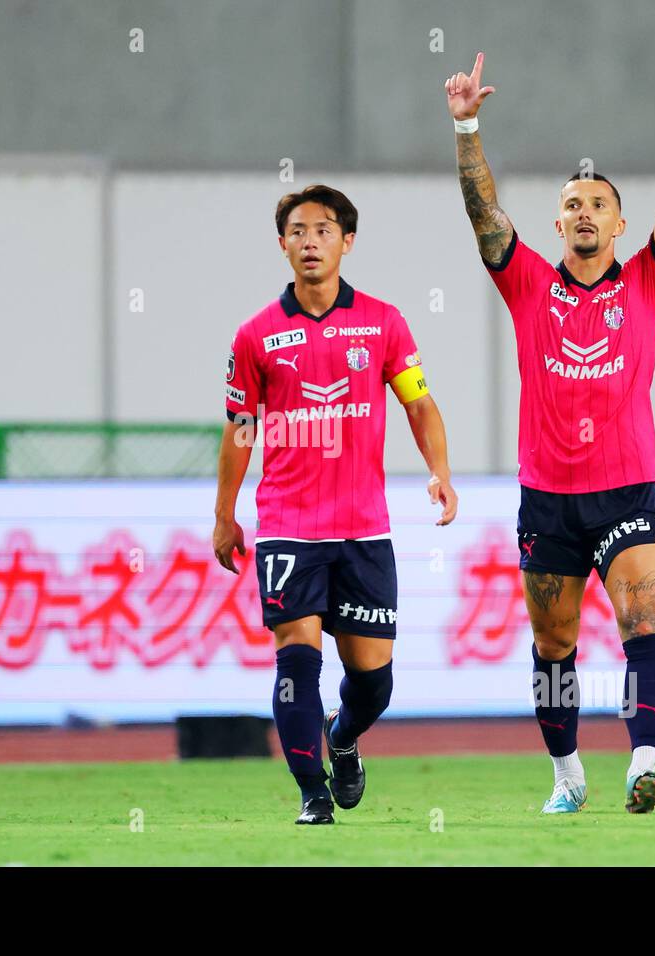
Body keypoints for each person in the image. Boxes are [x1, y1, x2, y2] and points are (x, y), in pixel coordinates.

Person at [445, 54, 655, 813]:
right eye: (574, 203)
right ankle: (568, 776)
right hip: (547, 500)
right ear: (558, 222)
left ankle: (643, 764)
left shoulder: (645, 280)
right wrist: (467, 126)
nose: (588, 211)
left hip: (626, 491)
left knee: (641, 622)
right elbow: (482, 213)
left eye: (600, 202)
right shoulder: (528, 281)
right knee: (556, 646)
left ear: (620, 223)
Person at [213, 184, 458, 824]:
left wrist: (440, 472)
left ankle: (343, 737)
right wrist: (224, 513)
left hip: (363, 530)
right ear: (282, 245)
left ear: (347, 242)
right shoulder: (255, 336)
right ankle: (311, 792)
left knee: (373, 681)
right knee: (296, 659)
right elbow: (240, 429)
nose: (310, 241)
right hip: (288, 527)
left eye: (323, 230)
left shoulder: (382, 322)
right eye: (297, 231)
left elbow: (419, 403)